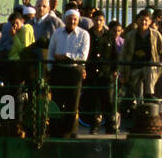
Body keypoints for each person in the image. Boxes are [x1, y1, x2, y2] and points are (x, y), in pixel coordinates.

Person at [46, 8, 89, 137]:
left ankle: (70, 131)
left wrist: (65, 56)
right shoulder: (57, 33)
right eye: (70, 19)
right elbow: (51, 51)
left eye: (75, 19)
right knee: (57, 101)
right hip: (58, 69)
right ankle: (55, 130)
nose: (72, 21)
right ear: (65, 20)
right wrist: (49, 68)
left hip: (74, 70)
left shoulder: (84, 34)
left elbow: (82, 56)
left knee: (73, 102)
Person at [81, 9, 119, 132]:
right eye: (96, 20)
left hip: (106, 72)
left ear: (104, 21)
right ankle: (95, 125)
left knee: (108, 99)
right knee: (93, 100)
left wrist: (115, 69)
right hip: (92, 72)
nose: (98, 22)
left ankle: (111, 126)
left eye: (101, 20)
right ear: (92, 20)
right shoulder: (87, 34)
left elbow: (114, 54)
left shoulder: (109, 35)